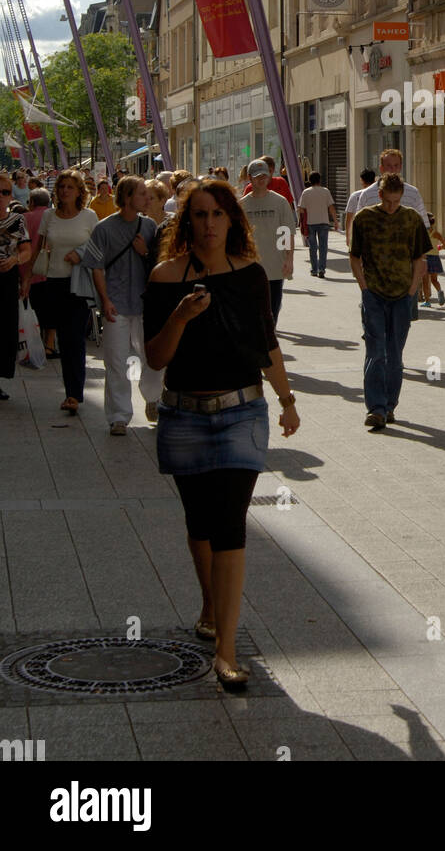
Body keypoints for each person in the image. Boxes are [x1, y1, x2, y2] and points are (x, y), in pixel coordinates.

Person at [143, 178, 299, 688]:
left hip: (241, 413)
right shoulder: (166, 276)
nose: (209, 224)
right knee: (200, 522)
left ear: (233, 219)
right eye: (200, 215)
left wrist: (287, 399)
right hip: (184, 413)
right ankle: (209, 602)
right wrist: (182, 316)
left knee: (230, 522)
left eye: (217, 215)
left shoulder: (251, 274)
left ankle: (227, 651)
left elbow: (266, 343)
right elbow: (157, 357)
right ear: (187, 222)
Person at [349, 173, 428, 430]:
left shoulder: (411, 218)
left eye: (398, 201)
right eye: (389, 201)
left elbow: (419, 259)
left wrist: (412, 290)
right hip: (374, 294)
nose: (393, 206)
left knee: (395, 353)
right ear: (380, 195)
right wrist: (364, 288)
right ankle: (376, 408)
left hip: (402, 295)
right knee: (376, 351)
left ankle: (390, 405)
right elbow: (355, 256)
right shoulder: (365, 218)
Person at [81, 175, 158, 435]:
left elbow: (159, 265)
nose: (147, 198)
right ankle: (119, 416)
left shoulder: (150, 227)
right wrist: (105, 300)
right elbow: (97, 267)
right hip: (116, 303)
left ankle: (153, 398)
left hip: (145, 304)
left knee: (151, 357)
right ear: (127, 198)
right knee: (116, 361)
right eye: (142, 194)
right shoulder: (104, 228)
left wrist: (144, 253)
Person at [24, 170, 98, 414]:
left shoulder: (89, 216)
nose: (65, 191)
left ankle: (73, 395)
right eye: (62, 186)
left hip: (79, 284)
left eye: (70, 187)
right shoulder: (48, 216)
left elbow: (98, 249)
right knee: (63, 338)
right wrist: (26, 279)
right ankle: (71, 391)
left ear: (79, 192)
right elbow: (37, 248)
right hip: (53, 282)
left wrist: (80, 254)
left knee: (74, 339)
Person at [239, 159, 295, 324]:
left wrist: (288, 258)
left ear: (270, 175)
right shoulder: (242, 205)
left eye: (264, 175)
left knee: (272, 311)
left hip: (274, 266)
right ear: (250, 178)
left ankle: (269, 343)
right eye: (257, 176)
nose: (261, 179)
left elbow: (285, 231)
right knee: (252, 311)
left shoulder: (280, 202)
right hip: (250, 266)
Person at [0, 176, 32, 401]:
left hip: (6, 279)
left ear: (10, 196)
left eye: (4, 192)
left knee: (4, 329)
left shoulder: (17, 220)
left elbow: (27, 251)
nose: (0, 197)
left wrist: (14, 261)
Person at [21, 188, 57, 359]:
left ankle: (30, 343)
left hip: (27, 271)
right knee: (50, 310)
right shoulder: (54, 216)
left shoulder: (24, 218)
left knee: (31, 310)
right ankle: (49, 345)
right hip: (50, 270)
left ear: (32, 202)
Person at [298, 172, 337, 278]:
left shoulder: (306, 192)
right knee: (323, 247)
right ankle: (322, 269)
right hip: (324, 222)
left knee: (313, 248)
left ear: (310, 181)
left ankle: (314, 270)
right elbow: (331, 207)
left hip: (310, 223)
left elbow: (301, 209)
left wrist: (301, 223)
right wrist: (336, 221)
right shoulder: (325, 191)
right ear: (320, 180)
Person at [419, 213, 445, 307]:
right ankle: (440, 291)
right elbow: (444, 244)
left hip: (425, 257)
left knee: (425, 281)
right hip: (435, 257)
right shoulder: (436, 233)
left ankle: (427, 301)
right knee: (434, 280)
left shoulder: (422, 232)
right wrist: (437, 248)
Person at [344, 168, 377, 247]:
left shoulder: (355, 195)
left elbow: (349, 218)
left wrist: (348, 237)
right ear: (374, 179)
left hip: (360, 234)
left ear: (362, 180)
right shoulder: (381, 194)